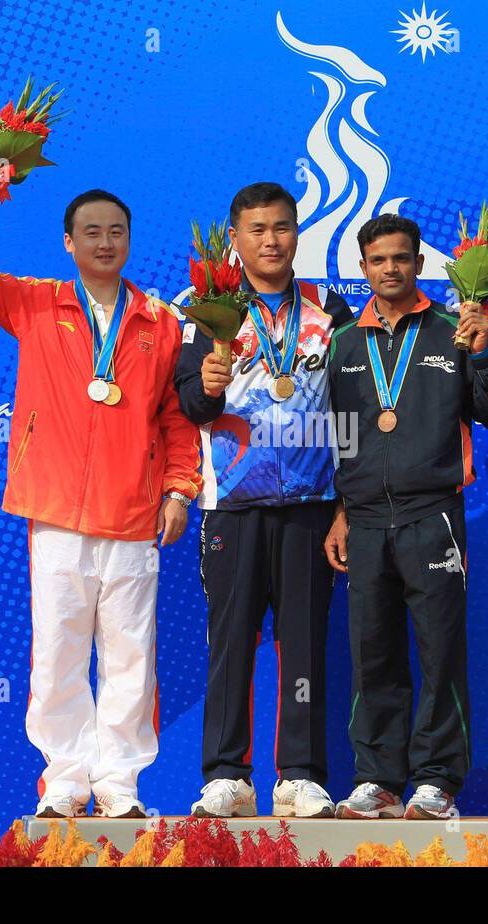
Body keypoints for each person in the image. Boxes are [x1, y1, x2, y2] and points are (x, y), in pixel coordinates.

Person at [0, 171, 202, 819]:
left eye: (116, 232)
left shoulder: (159, 324)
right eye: (92, 232)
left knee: (131, 654)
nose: (105, 242)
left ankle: (119, 783)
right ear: (68, 242)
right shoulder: (35, 304)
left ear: (130, 241)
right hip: (55, 508)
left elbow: (175, 418)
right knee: (58, 648)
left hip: (134, 511)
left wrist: (179, 488)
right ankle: (64, 779)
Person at [324, 213, 488, 820]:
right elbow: (342, 437)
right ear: (363, 269)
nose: (391, 269)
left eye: (402, 259)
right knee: (373, 651)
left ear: (419, 264)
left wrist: (485, 349)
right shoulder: (343, 343)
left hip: (432, 514)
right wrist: (339, 511)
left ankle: (437, 782)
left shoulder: (452, 329)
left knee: (440, 651)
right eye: (378, 260)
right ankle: (378, 779)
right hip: (362, 519)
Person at [175, 182, 355, 818]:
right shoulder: (208, 310)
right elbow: (190, 406)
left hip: (312, 503)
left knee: (304, 641)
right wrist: (208, 381)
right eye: (256, 229)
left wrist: (345, 506)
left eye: (281, 227)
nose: (271, 240)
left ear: (298, 233)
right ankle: (228, 774)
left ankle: (300, 775)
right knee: (231, 638)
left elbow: (352, 411)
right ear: (236, 238)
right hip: (234, 505)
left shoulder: (330, 311)